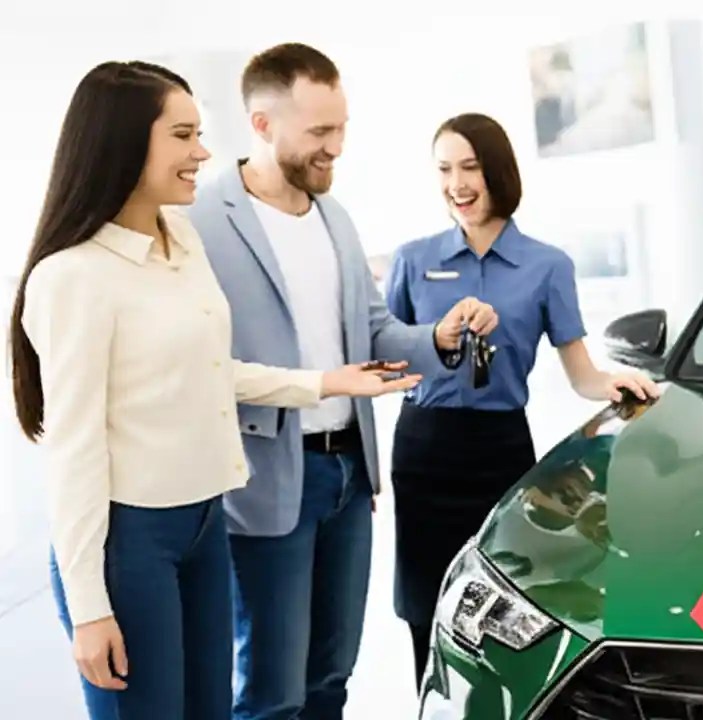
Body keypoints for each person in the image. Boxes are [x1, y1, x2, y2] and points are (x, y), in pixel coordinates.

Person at [10, 60, 422, 720]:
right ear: (122, 141)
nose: (203, 152)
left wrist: (325, 383)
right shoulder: (73, 278)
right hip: (131, 540)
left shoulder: (180, 242)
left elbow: (214, 373)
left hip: (206, 522)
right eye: (182, 135)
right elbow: (74, 451)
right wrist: (89, 610)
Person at [186, 43, 497, 719]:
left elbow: (377, 332)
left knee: (332, 675)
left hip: (349, 479)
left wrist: (437, 339)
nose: (337, 147)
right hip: (266, 481)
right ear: (263, 126)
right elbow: (196, 366)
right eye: (320, 132)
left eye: (342, 127)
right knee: (272, 691)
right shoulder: (200, 223)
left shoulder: (336, 218)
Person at [382, 112, 661, 687]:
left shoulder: (547, 265)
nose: (456, 184)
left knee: (508, 601)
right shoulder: (413, 259)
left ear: (498, 171)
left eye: (470, 167)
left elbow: (580, 372)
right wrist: (442, 339)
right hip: (425, 446)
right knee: (426, 602)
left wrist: (614, 385)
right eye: (444, 169)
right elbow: (389, 363)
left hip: (500, 445)